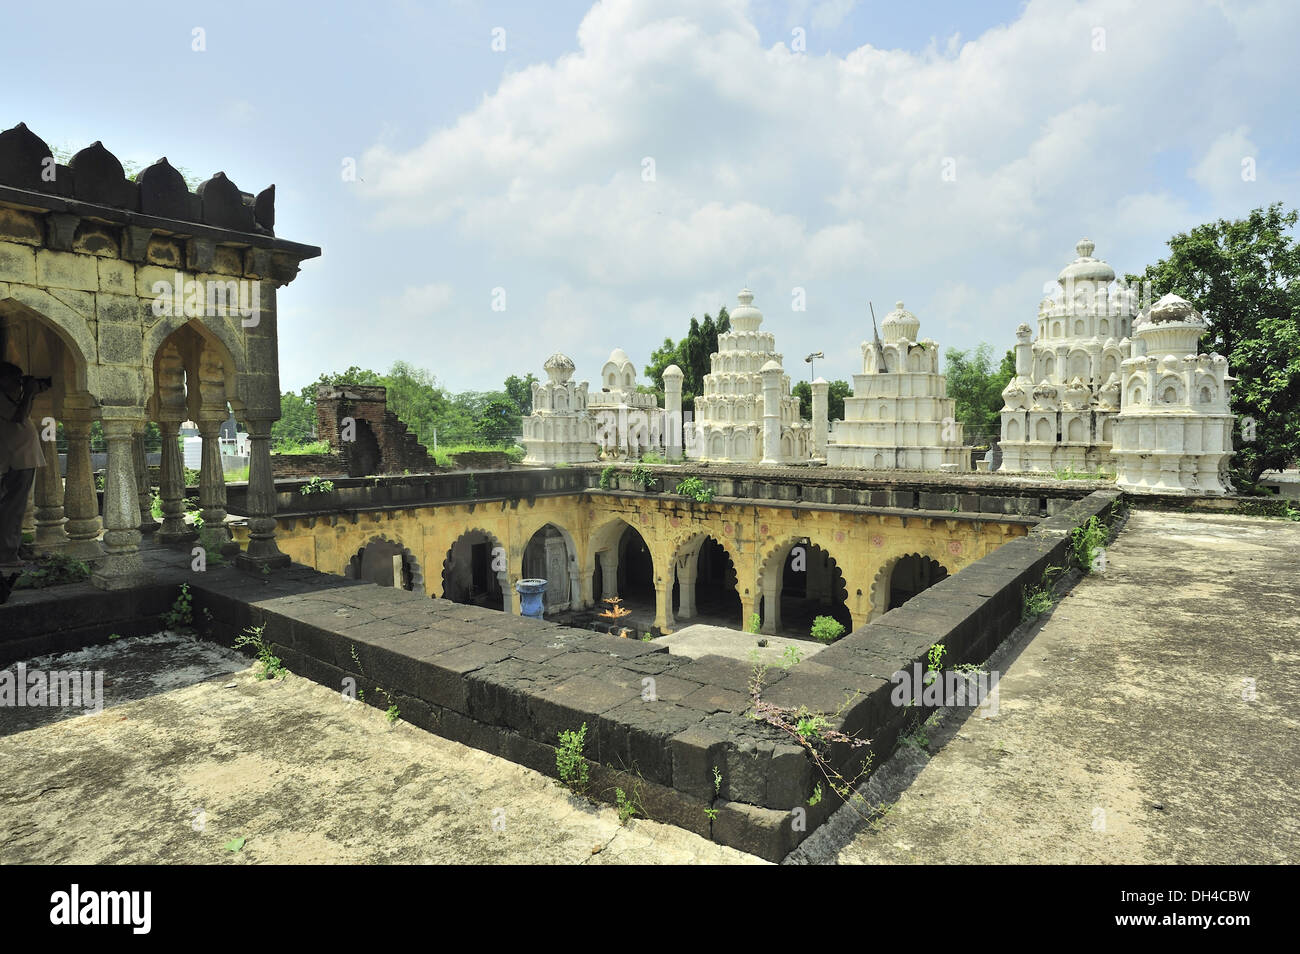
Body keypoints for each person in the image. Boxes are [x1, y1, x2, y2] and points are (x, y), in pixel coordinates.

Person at [0, 361, 51, 600]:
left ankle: (11, 551)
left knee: (14, 509)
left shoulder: (9, 398)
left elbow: (23, 413)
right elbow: (19, 418)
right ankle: (8, 556)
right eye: (16, 380)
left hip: (21, 460)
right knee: (13, 509)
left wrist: (29, 394)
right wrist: (29, 392)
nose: (19, 385)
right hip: (16, 462)